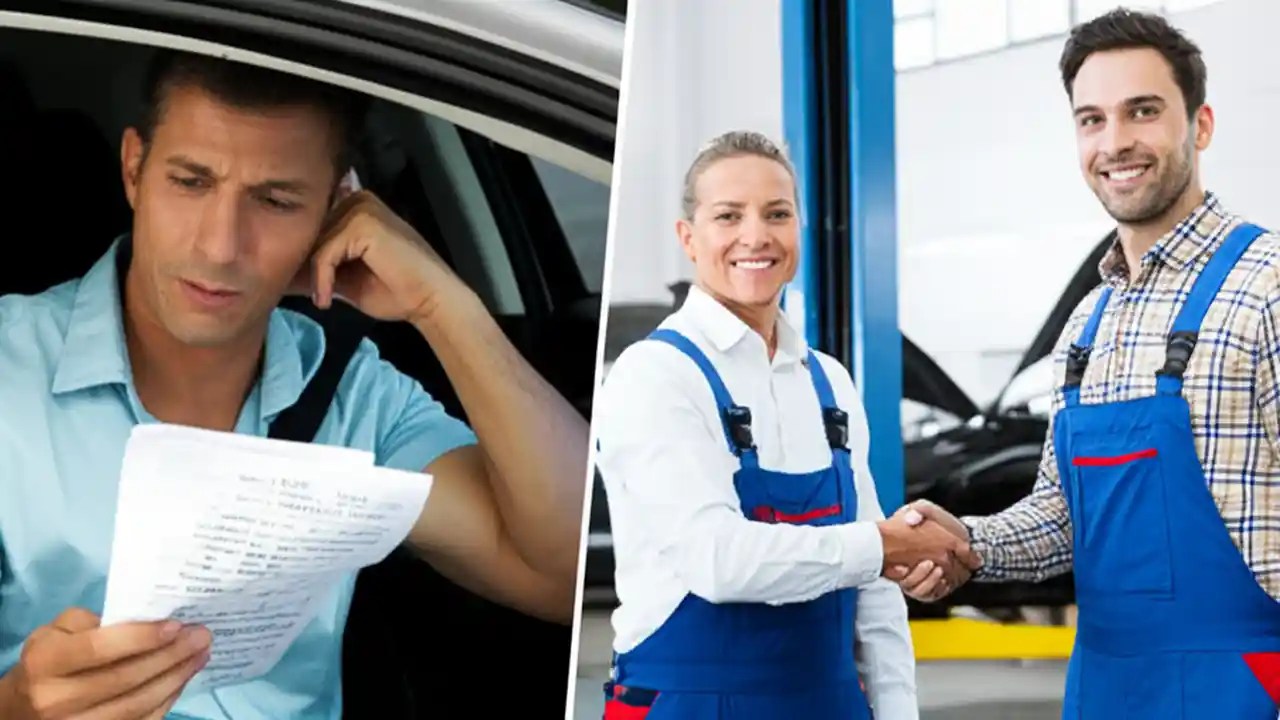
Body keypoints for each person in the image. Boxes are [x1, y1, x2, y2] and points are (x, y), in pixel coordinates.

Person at [0, 50, 587, 720]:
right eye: (191, 182)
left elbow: (573, 577)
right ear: (134, 170)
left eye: (276, 201)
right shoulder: (7, 367)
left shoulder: (352, 395)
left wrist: (442, 303)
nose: (221, 245)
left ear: (335, 212)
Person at [889, 9, 1280, 718]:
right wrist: (965, 541)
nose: (1115, 142)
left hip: (1244, 689)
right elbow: (1065, 518)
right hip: (1104, 690)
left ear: (1201, 125)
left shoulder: (1267, 290)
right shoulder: (1088, 325)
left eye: (1143, 111)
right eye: (1091, 119)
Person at [592, 130, 981, 720]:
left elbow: (875, 595)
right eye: (728, 216)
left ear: (798, 227)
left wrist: (897, 709)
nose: (756, 236)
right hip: (689, 705)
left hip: (829, 702)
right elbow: (718, 560)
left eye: (777, 213)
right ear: (688, 238)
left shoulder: (829, 383)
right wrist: (883, 544)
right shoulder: (654, 376)